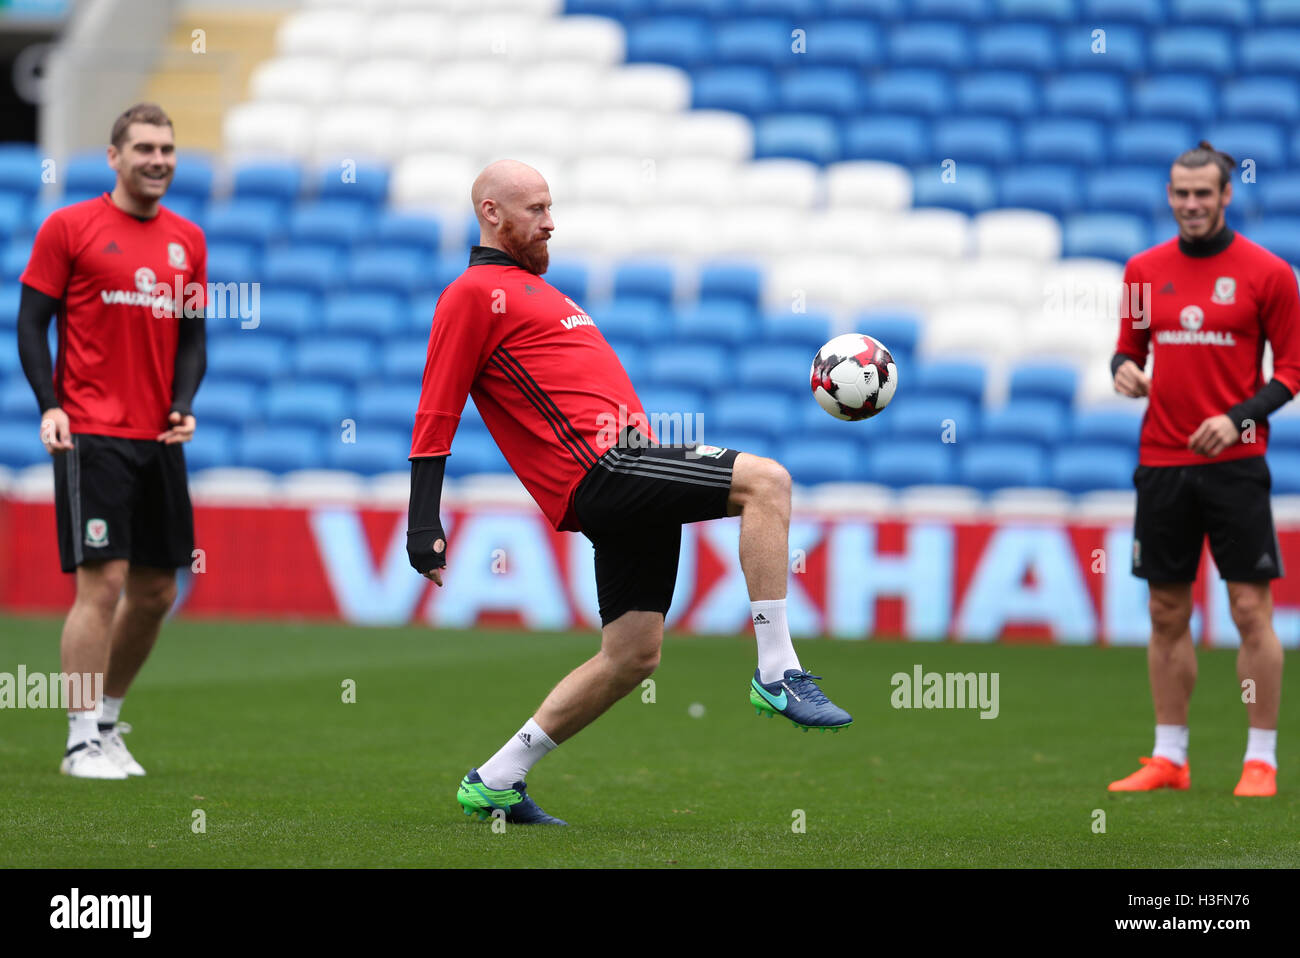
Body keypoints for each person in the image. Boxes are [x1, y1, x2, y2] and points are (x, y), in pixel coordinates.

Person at [406, 159, 851, 825]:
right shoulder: (472, 294)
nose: (551, 222)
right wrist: (422, 522)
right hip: (603, 470)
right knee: (768, 482)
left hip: (626, 471)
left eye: (551, 207)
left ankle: (496, 779)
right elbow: (436, 410)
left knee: (632, 657)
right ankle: (777, 670)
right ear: (492, 213)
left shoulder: (542, 293)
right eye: (535, 210)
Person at [17, 103, 207, 779]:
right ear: (114, 157)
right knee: (102, 586)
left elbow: (192, 338)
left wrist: (184, 404)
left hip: (159, 439)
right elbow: (31, 323)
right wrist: (51, 406)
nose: (158, 159)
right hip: (91, 434)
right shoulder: (69, 227)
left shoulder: (190, 239)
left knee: (157, 592)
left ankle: (106, 724)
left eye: (168, 147)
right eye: (145, 148)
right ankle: (76, 742)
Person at [1108, 141, 1300, 797]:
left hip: (1236, 465)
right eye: (1180, 193)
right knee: (1166, 610)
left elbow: (1293, 372)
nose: (1191, 204)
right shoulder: (1141, 271)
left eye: (1203, 194)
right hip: (1161, 461)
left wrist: (1238, 418)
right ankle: (1170, 757)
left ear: (1226, 195)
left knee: (1250, 609)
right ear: (1169, 195)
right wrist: (1123, 373)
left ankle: (1261, 759)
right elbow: (1127, 349)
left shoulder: (1269, 274)